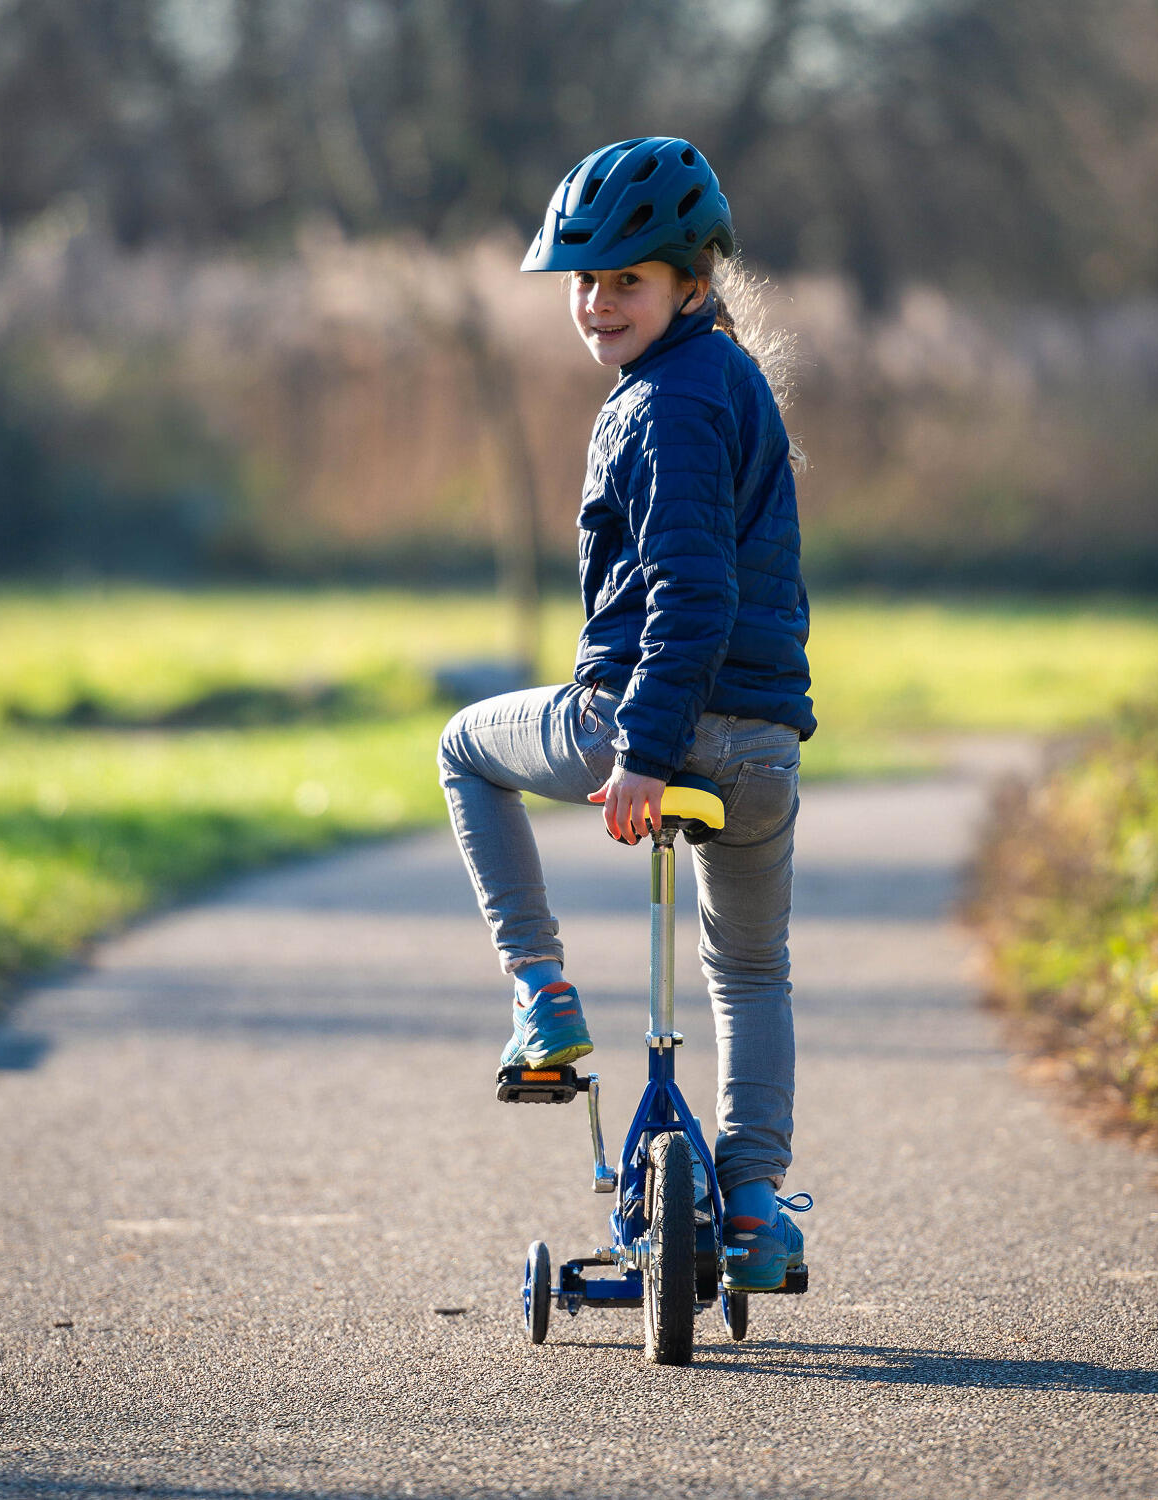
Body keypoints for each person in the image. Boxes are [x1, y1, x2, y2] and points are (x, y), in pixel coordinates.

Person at [437, 136, 815, 1292]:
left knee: (463, 748)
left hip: (643, 721)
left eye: (628, 280)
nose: (598, 303)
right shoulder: (735, 379)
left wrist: (644, 753)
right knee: (750, 972)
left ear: (693, 281)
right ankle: (750, 1207)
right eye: (584, 281)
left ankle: (541, 997)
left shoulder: (662, 407)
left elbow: (694, 596)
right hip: (762, 748)